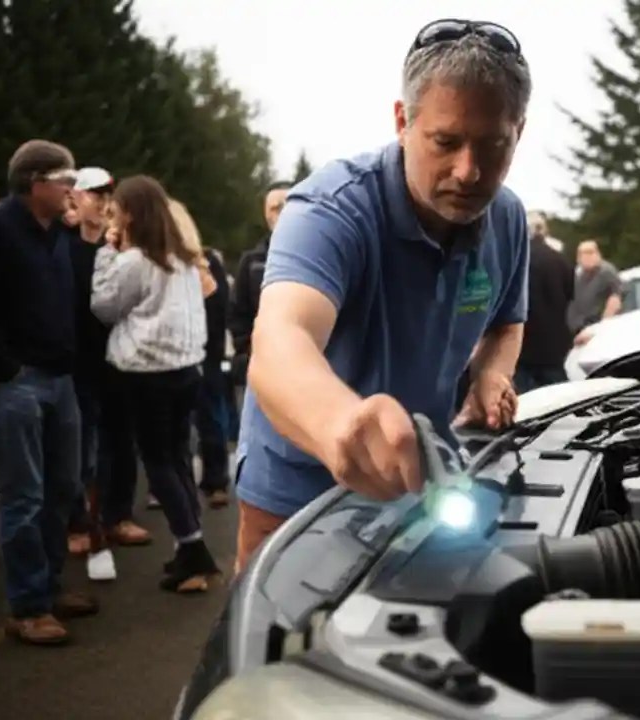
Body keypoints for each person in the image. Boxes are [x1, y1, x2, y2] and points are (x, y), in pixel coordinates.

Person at [235, 18, 532, 575]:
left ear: (520, 132)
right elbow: (279, 340)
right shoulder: (330, 209)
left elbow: (507, 323)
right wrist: (341, 425)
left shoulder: (509, 218)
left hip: (424, 483)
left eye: (494, 145)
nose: (469, 172)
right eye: (445, 142)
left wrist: (491, 375)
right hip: (299, 489)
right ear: (402, 121)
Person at [0, 140, 97, 645]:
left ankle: (49, 587)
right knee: (24, 497)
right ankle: (28, 605)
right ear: (36, 182)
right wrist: (5, 370)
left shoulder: (55, 234)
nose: (73, 189)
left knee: (62, 489)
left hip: (60, 380)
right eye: (66, 179)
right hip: (16, 383)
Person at [91, 177, 220, 593]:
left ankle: (193, 548)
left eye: (115, 210)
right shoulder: (183, 260)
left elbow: (105, 307)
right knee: (177, 456)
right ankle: (190, 548)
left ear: (130, 213)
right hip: (185, 370)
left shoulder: (134, 261)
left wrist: (106, 254)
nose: (111, 217)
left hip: (145, 374)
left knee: (158, 462)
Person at [64, 166, 146, 583]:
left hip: (116, 358)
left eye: (107, 194)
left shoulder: (119, 246)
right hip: (76, 359)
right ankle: (78, 522)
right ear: (75, 199)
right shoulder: (63, 244)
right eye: (93, 194)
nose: (103, 201)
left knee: (120, 438)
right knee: (81, 446)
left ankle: (118, 515)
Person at [169, 200, 232, 509]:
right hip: (173, 355)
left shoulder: (206, 263)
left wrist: (216, 355)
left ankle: (216, 481)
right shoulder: (158, 263)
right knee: (175, 426)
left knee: (210, 421)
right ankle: (172, 485)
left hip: (203, 354)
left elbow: (219, 309)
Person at [227, 180, 290, 386]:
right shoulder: (252, 261)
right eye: (275, 208)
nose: (282, 212)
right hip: (262, 365)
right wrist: (249, 349)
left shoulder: (321, 255)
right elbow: (238, 311)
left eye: (288, 204)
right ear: (266, 215)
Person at [516, 221, 573, 392]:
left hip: (523, 342)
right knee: (561, 397)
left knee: (527, 401)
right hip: (555, 343)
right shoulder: (559, 259)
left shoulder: (517, 258)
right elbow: (570, 294)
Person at [567, 239, 623, 336]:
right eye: (583, 254)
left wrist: (603, 326)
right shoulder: (578, 274)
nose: (587, 257)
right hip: (578, 328)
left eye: (590, 252)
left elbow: (615, 300)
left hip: (596, 328)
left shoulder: (606, 272)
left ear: (597, 253)